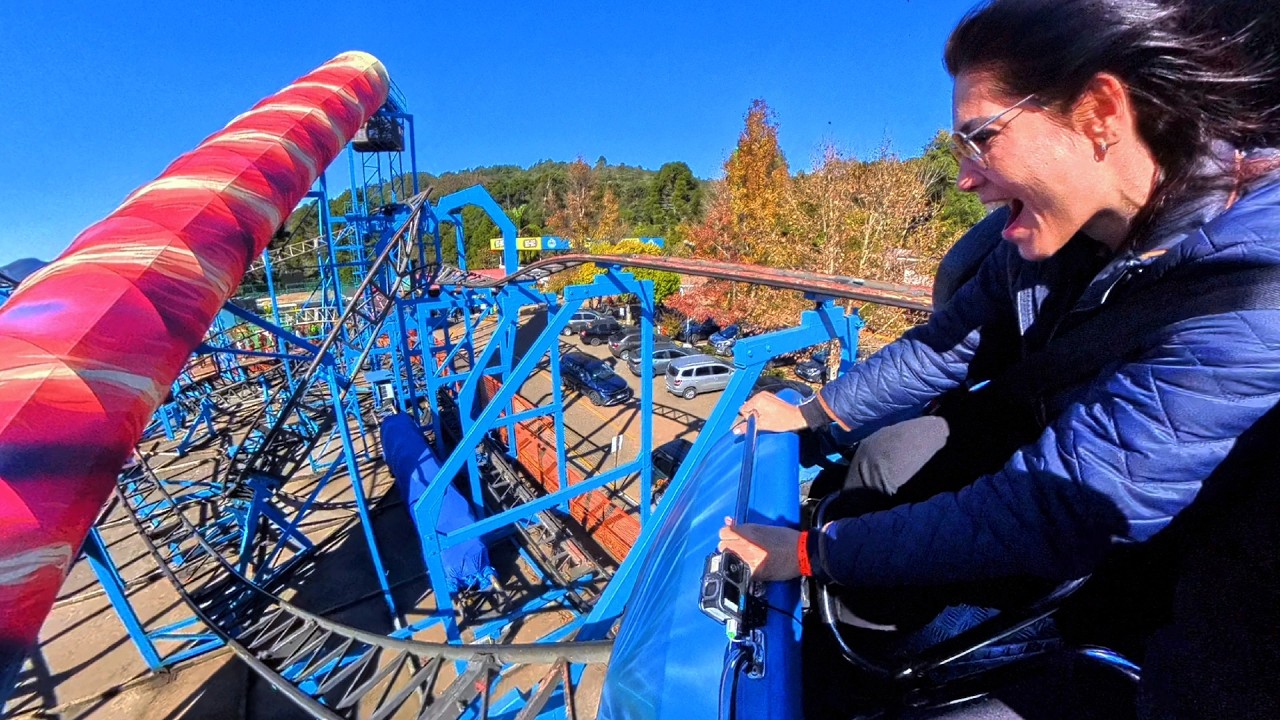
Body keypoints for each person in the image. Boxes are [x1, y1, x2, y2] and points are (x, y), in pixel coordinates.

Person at [721, 0, 1280, 715]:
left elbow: (1051, 507)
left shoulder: (1251, 292)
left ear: (1099, 114)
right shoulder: (1061, 233)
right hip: (1070, 482)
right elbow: (944, 345)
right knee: (885, 464)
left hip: (1192, 587)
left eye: (982, 139)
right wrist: (811, 412)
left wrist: (810, 554)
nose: (965, 177)